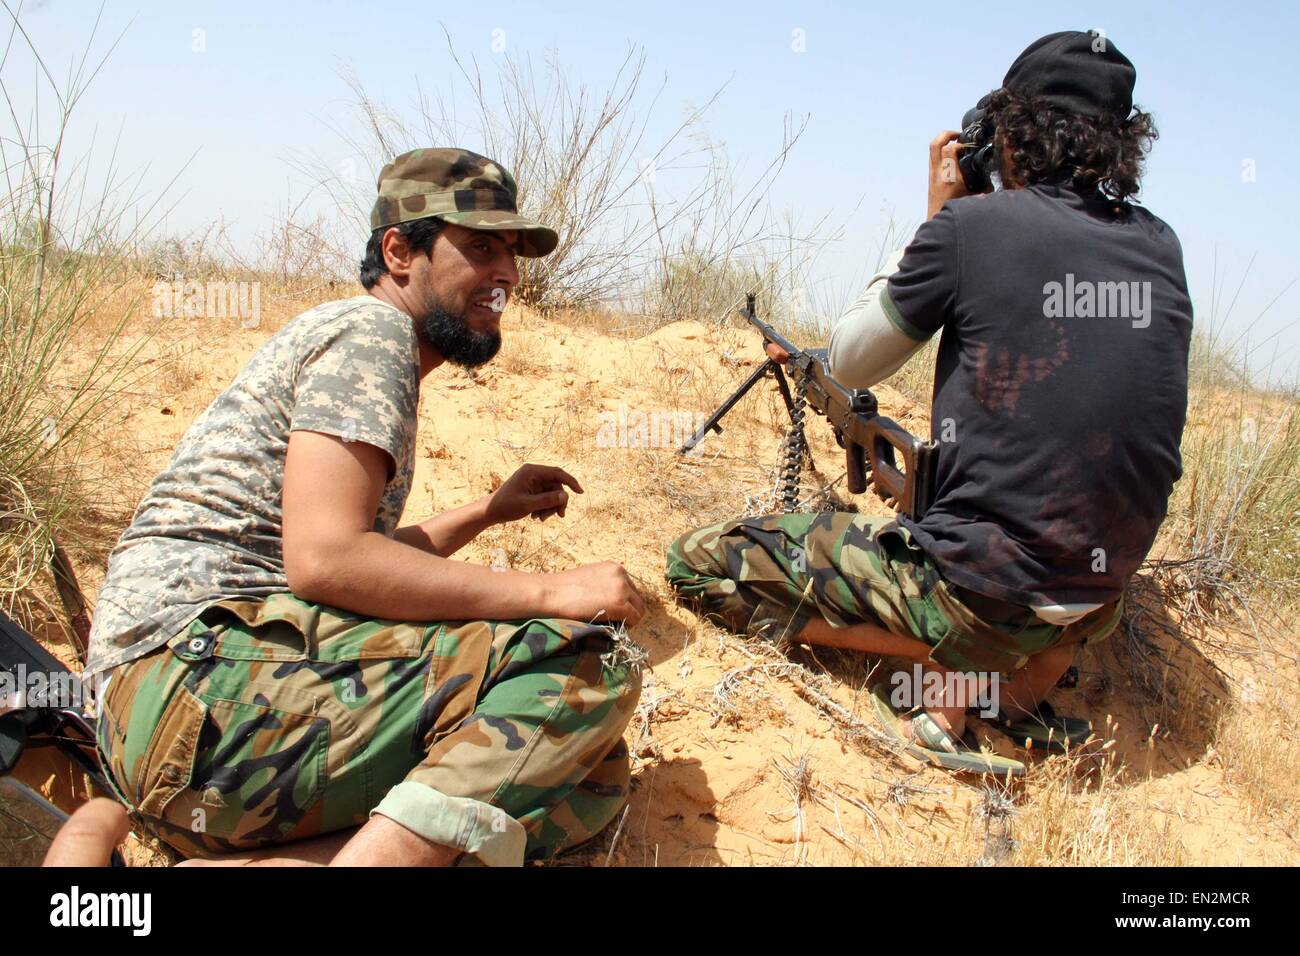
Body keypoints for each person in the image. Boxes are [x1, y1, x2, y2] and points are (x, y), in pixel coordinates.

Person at [88, 148, 645, 865]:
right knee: (586, 663)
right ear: (399, 252)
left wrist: (485, 511)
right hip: (192, 685)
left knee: (588, 780)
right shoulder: (371, 334)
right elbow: (326, 561)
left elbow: (350, 560)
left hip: (190, 736)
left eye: (511, 254)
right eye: (480, 247)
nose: (506, 272)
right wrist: (549, 593)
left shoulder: (373, 346)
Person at [667, 31, 1191, 774]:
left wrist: (934, 220)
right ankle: (1017, 693)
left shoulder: (972, 230)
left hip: (985, 600)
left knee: (698, 564)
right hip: (1098, 596)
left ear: (1010, 132)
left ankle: (959, 676)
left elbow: (849, 359)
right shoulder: (1161, 246)